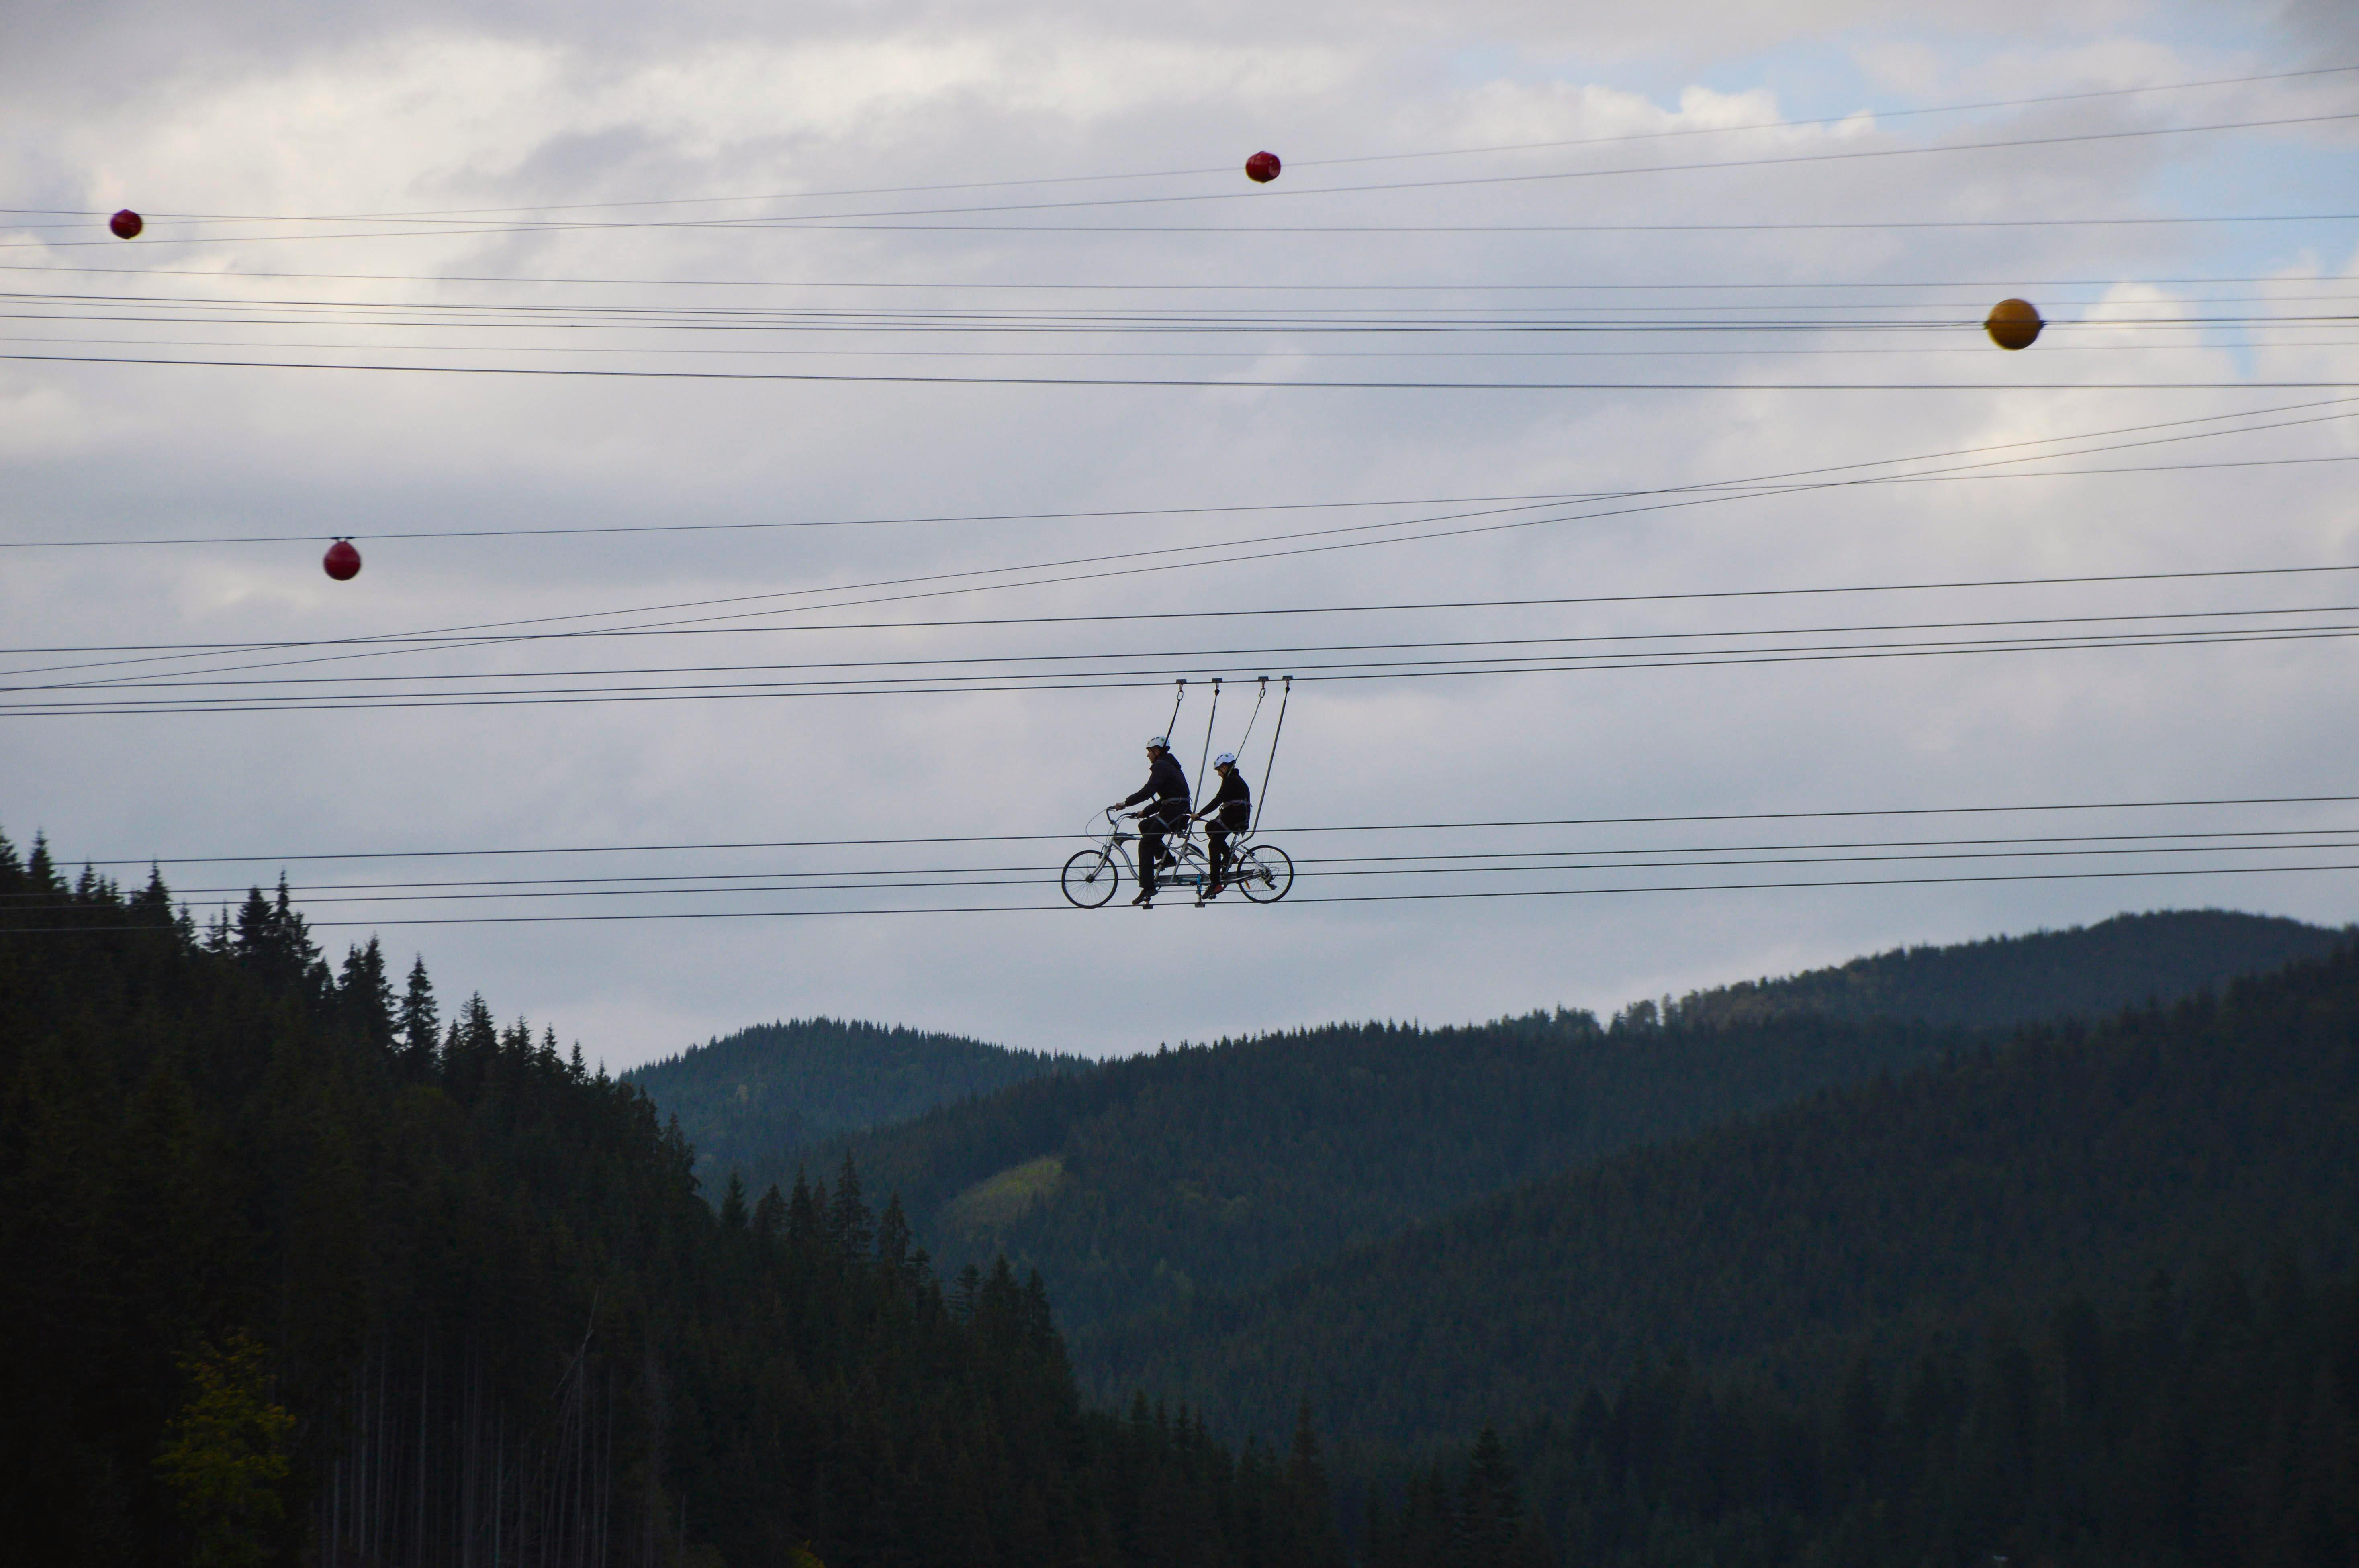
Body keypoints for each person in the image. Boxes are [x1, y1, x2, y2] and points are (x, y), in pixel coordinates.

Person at [1113, 736, 1190, 906]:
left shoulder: (1161, 766)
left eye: (1149, 751)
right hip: (1175, 809)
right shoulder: (1170, 766)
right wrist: (1144, 812)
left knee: (1145, 845)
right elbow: (1166, 799)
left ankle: (1148, 887)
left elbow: (1149, 791)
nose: (1148, 756)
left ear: (1157, 751)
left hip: (1174, 812)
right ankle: (1167, 858)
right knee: (1145, 825)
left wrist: (1126, 803)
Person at [1192, 752, 1251, 902]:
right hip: (1234, 815)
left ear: (1225, 767)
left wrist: (1199, 814)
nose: (1218, 774)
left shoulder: (1230, 780)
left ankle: (1215, 883)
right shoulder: (1232, 779)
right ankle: (1231, 856)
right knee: (1210, 827)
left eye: (1219, 770)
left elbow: (1218, 800)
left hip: (1234, 817)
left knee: (1214, 845)